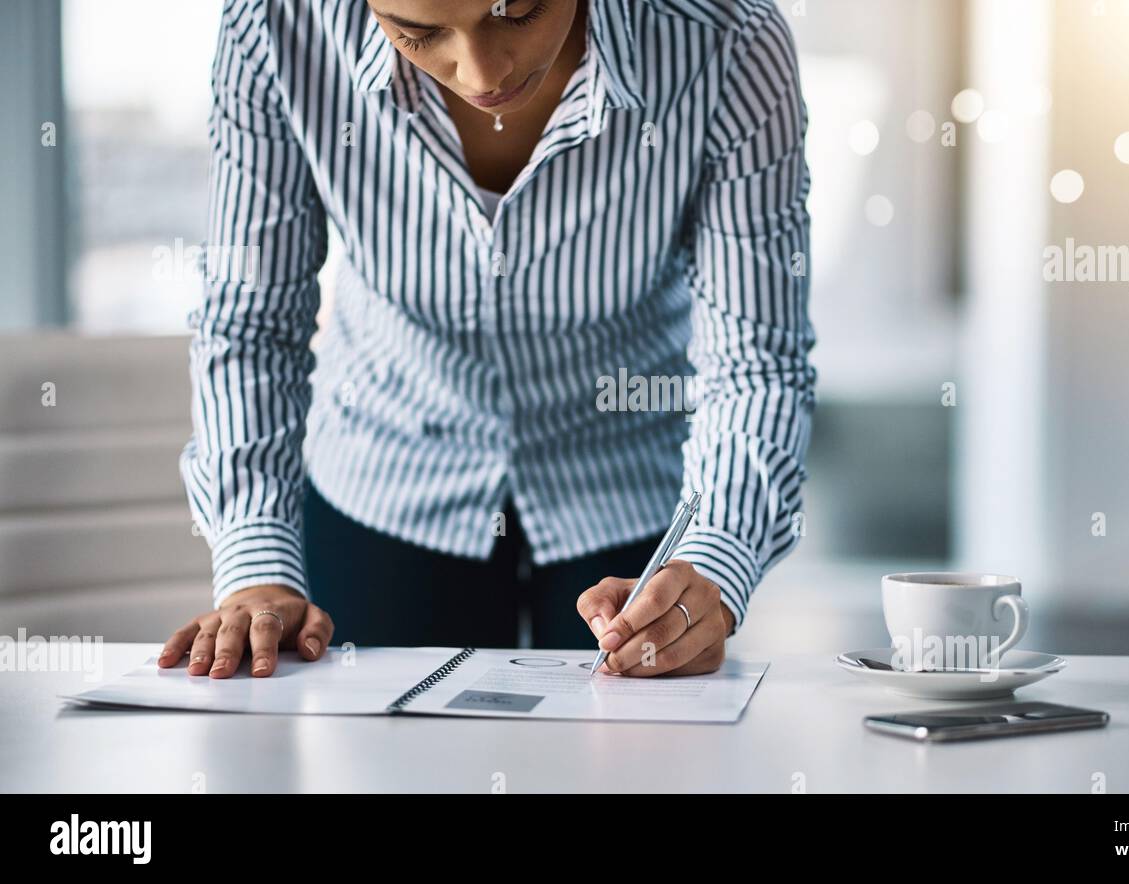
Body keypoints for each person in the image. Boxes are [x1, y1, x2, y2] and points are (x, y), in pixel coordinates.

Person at [158, 0, 815, 680]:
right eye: (416, 32)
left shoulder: (728, 41)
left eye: (519, 11)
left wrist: (714, 560)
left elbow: (756, 364)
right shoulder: (276, 27)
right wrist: (256, 564)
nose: (481, 73)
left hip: (635, 491)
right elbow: (250, 321)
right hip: (383, 475)